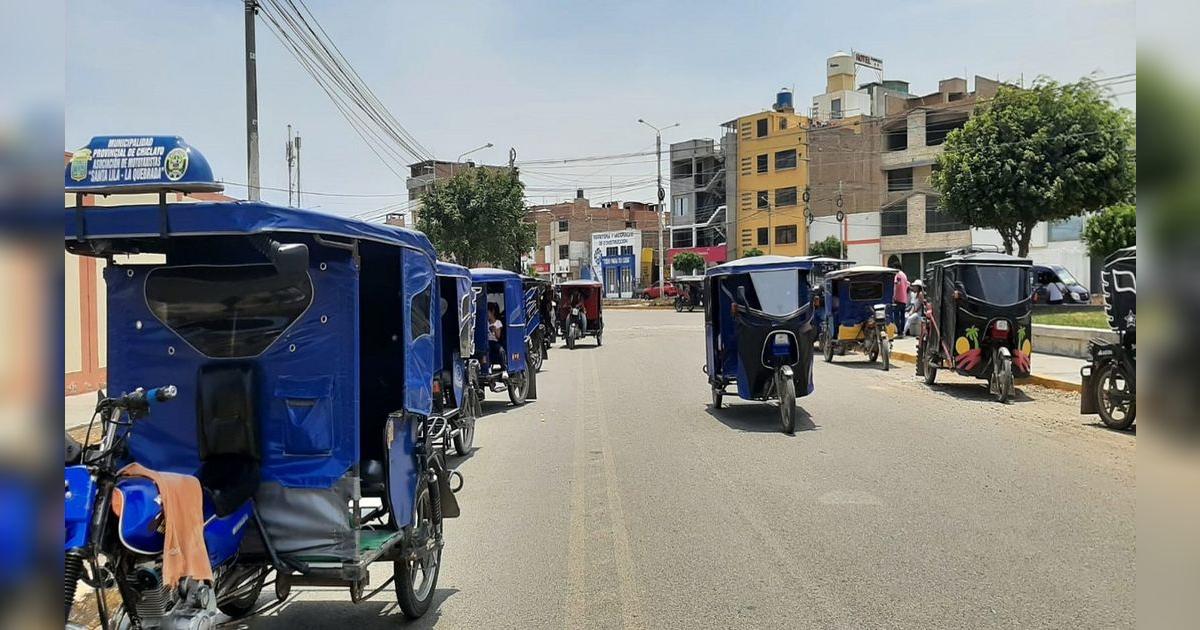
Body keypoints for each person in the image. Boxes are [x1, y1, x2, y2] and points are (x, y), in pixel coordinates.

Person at [486, 302, 504, 378]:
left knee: (501, 350)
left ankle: (504, 368)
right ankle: (488, 367)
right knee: (486, 349)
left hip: (495, 342)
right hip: (487, 342)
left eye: (488, 312)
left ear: (492, 312)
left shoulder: (498, 322)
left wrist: (494, 329)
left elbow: (498, 336)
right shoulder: (486, 323)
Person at [892, 263, 910, 336]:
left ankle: (899, 331)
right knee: (902, 316)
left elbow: (896, 285)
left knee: (896, 316)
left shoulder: (898, 275)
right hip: (904, 299)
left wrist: (893, 296)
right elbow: (907, 285)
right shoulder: (904, 275)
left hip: (898, 298)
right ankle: (902, 331)